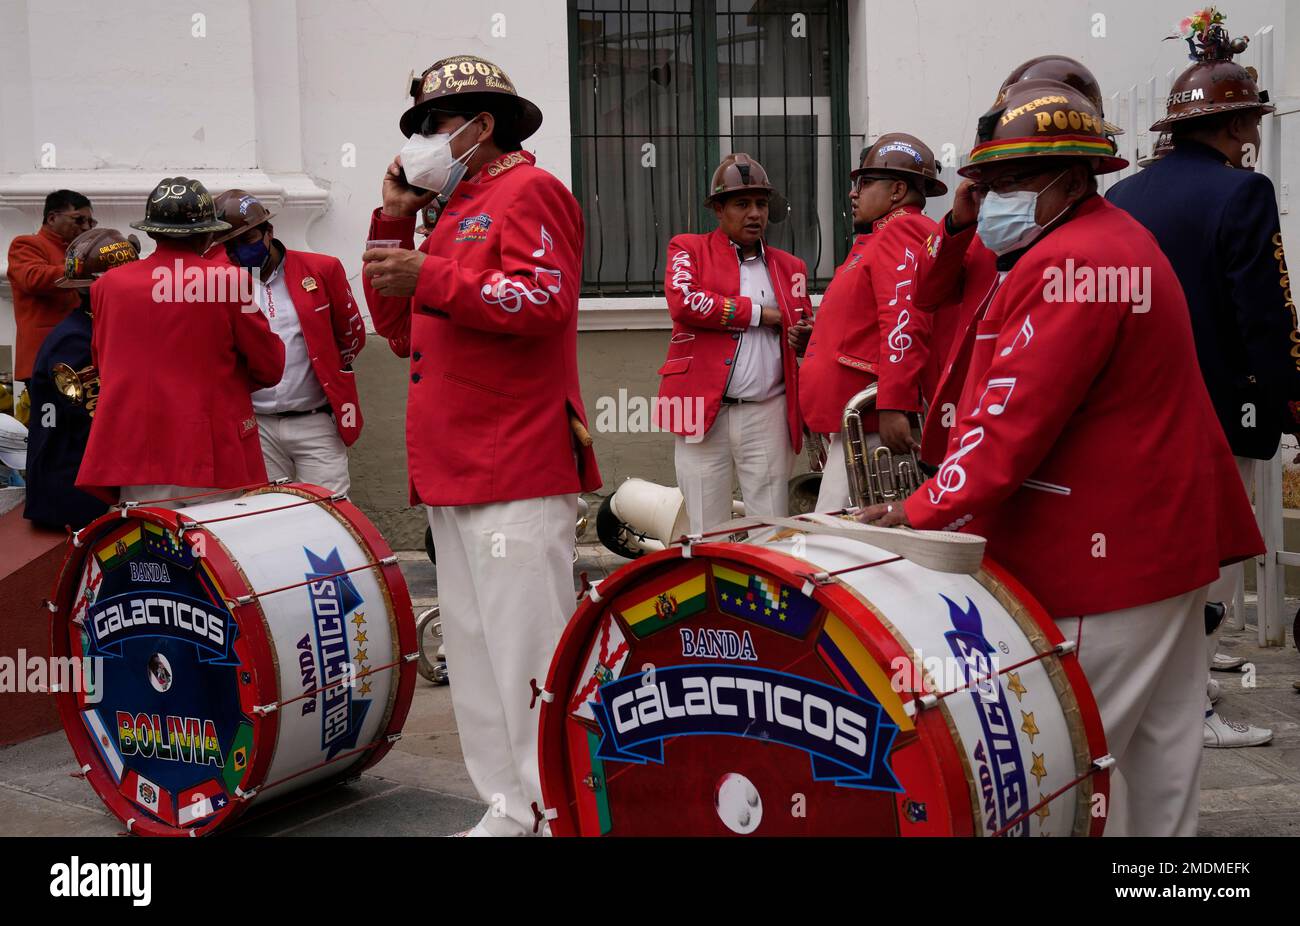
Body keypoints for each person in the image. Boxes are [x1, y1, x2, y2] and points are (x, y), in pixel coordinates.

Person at [859, 79, 1263, 836]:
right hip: (1165, 551)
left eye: (1009, 183)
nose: (991, 198)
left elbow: (1011, 423)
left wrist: (915, 511)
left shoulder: (1072, 263)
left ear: (1071, 179)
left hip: (1102, 560)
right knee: (1159, 764)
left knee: (1070, 769)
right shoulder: (1105, 241)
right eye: (983, 183)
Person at [361, 55, 600, 837]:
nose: (424, 141)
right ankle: (508, 804)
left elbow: (543, 298)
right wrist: (395, 217)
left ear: (479, 125)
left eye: (434, 125)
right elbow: (396, 333)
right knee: (472, 656)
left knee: (528, 656)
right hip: (456, 468)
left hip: (515, 460)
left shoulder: (530, 191)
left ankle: (556, 807)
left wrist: (431, 272)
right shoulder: (452, 209)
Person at [1106, 14, 1287, 748]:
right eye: (1248, 119)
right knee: (1216, 555)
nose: (1252, 132)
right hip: (1222, 398)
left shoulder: (1124, 198)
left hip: (1138, 405)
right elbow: (1263, 309)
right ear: (1236, 123)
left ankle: (1181, 686)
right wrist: (1283, 393)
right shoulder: (1243, 193)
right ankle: (1196, 706)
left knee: (1160, 548)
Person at [913, 56, 1121, 466]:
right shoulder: (991, 229)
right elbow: (926, 294)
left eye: (1015, 178)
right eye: (996, 180)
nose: (1002, 193)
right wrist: (956, 224)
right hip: (972, 417)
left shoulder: (1093, 245)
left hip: (1032, 436)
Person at [76, 177, 284, 510]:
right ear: (208, 234)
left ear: (151, 231)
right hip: (208, 448)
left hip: (135, 451)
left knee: (149, 550)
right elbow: (269, 366)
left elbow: (104, 363)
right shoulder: (229, 280)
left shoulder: (107, 286)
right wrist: (229, 382)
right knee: (212, 551)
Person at [656, 153, 812, 534]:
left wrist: (805, 335)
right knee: (707, 530)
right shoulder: (687, 248)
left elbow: (803, 325)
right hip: (698, 407)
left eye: (761, 204)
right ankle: (712, 593)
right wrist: (763, 315)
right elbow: (685, 301)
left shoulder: (792, 267)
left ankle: (763, 595)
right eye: (742, 204)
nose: (755, 213)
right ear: (719, 209)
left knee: (770, 528)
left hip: (768, 409)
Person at [797, 133, 945, 508]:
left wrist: (894, 404)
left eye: (863, 184)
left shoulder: (902, 230)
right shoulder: (881, 236)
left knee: (836, 542)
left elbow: (904, 319)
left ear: (897, 190)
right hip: (864, 418)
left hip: (876, 420)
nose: (853, 193)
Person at [208, 190, 366, 494]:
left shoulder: (322, 269)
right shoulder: (221, 280)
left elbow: (352, 336)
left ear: (269, 232)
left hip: (314, 419)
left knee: (332, 511)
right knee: (265, 514)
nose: (239, 250)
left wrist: (328, 368)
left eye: (248, 239)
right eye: (229, 245)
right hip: (256, 424)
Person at [24, 228, 140, 530]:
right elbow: (100, 420)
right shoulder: (74, 341)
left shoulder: (98, 328)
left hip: (85, 487)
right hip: (75, 496)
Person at [6, 190, 94, 388]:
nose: (86, 227)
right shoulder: (26, 244)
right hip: (45, 356)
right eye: (79, 220)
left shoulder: (78, 251)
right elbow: (33, 278)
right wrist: (87, 266)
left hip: (79, 354)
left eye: (90, 222)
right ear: (52, 218)